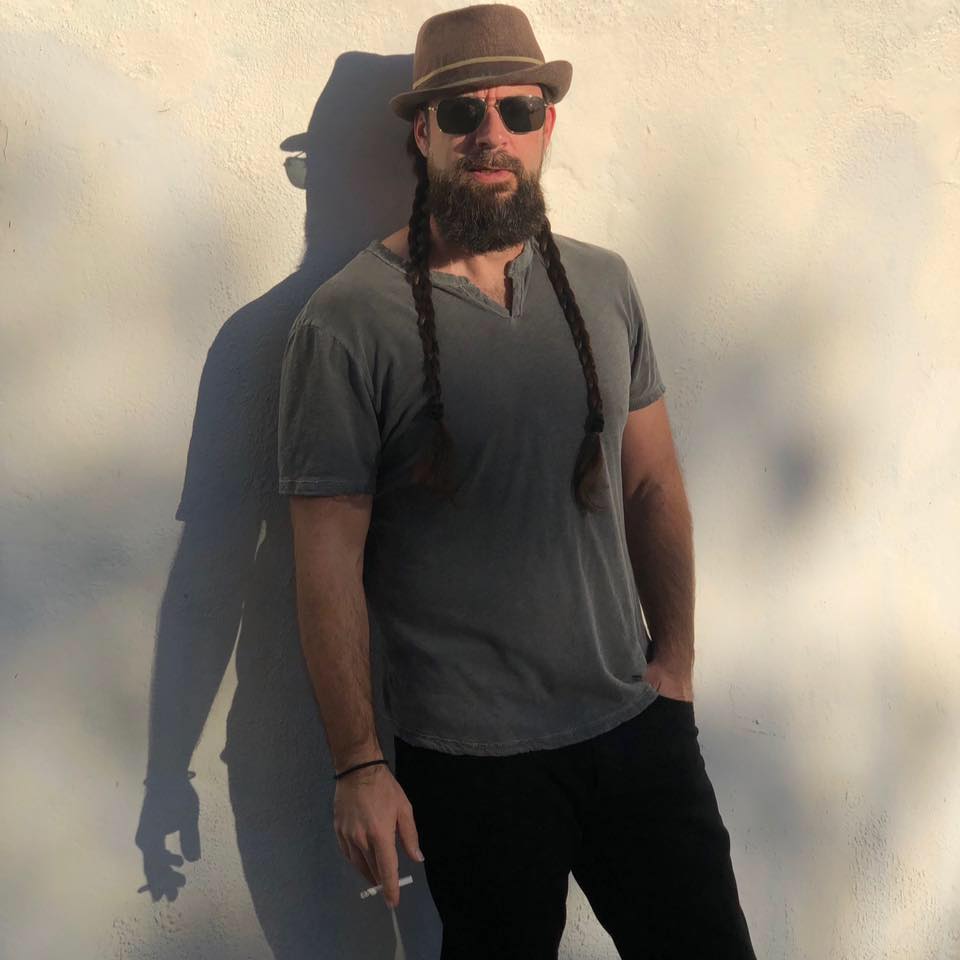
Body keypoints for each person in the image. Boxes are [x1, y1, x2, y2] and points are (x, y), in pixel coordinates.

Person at [277, 4, 757, 957]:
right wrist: (359, 765)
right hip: (472, 768)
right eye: (462, 112)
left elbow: (653, 481)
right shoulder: (346, 323)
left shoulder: (605, 284)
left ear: (547, 125)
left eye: (518, 109)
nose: (490, 133)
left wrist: (675, 667)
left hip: (636, 729)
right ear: (423, 133)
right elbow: (326, 555)